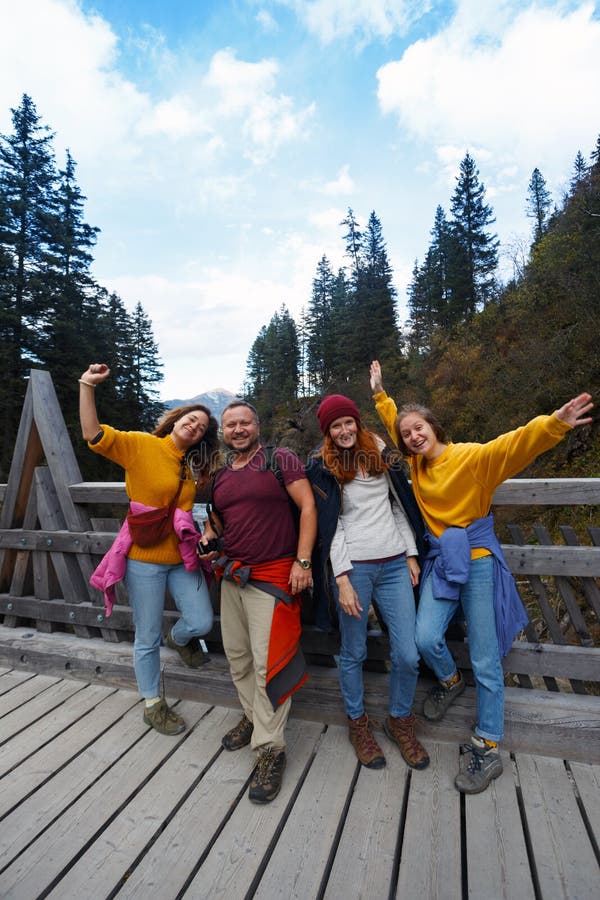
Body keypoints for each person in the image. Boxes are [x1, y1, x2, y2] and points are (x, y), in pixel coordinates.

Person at [370, 359, 593, 793]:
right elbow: (395, 419)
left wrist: (556, 424)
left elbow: (514, 445)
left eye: (421, 429)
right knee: (424, 638)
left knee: (487, 658)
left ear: (436, 427)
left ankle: (487, 744)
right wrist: (381, 395)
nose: (414, 436)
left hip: (476, 562)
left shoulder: (471, 458)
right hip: (441, 562)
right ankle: (451, 680)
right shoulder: (416, 466)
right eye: (408, 434)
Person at [79, 363, 220, 736]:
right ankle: (152, 703)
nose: (195, 426)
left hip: (182, 558)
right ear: (176, 421)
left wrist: (204, 531)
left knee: (202, 621)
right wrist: (86, 386)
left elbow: (192, 509)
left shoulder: (192, 467)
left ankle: (181, 637)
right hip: (144, 560)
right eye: (191, 419)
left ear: (201, 438)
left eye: (202, 427)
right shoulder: (141, 445)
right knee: (146, 635)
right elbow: (92, 435)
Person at [200, 401, 317, 804]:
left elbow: (307, 507)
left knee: (271, 663)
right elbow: (216, 520)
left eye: (245, 422)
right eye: (230, 424)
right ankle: (252, 719)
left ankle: (270, 750)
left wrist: (303, 561)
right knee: (238, 657)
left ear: (257, 425)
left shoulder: (278, 459)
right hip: (232, 576)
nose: (238, 429)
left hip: (273, 575)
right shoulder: (219, 477)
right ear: (223, 432)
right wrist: (207, 537)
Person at [306, 394, 430, 771]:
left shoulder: (381, 452)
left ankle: (399, 720)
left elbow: (397, 505)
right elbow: (332, 527)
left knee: (408, 653)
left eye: (348, 422)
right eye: (335, 426)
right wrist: (341, 578)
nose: (343, 431)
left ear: (357, 423)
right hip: (355, 567)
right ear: (327, 432)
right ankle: (358, 724)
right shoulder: (321, 466)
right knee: (354, 651)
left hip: (393, 564)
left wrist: (410, 552)